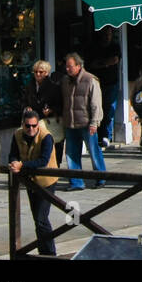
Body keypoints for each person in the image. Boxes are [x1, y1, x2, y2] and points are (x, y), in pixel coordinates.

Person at [8, 109, 58, 255]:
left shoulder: (46, 137)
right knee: (37, 218)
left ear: (38, 125)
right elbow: (13, 154)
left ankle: (49, 253)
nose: (31, 129)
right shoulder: (17, 135)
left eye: (34, 126)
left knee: (41, 218)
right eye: (28, 126)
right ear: (22, 125)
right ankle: (43, 252)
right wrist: (13, 163)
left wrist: (21, 165)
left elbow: (43, 160)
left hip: (46, 181)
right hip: (31, 182)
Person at [60, 53, 106, 190]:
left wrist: (94, 122)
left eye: (70, 66)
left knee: (94, 152)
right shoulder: (65, 81)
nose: (67, 69)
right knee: (71, 154)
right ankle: (76, 182)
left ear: (79, 66)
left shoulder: (90, 80)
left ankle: (101, 177)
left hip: (86, 123)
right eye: (66, 66)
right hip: (70, 123)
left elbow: (96, 104)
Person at [22, 59, 65, 165]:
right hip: (34, 122)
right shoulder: (29, 86)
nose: (37, 74)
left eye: (41, 72)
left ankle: (55, 168)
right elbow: (23, 101)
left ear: (47, 73)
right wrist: (27, 107)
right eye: (35, 71)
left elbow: (61, 105)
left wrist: (51, 110)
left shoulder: (54, 87)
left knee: (52, 147)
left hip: (49, 122)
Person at [86, 27, 120, 150]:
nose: (107, 36)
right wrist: (106, 63)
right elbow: (92, 64)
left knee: (109, 109)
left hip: (112, 83)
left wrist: (101, 63)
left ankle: (107, 136)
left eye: (109, 34)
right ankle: (99, 136)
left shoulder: (115, 47)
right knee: (97, 109)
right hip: (97, 83)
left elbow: (115, 60)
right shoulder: (95, 47)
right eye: (105, 34)